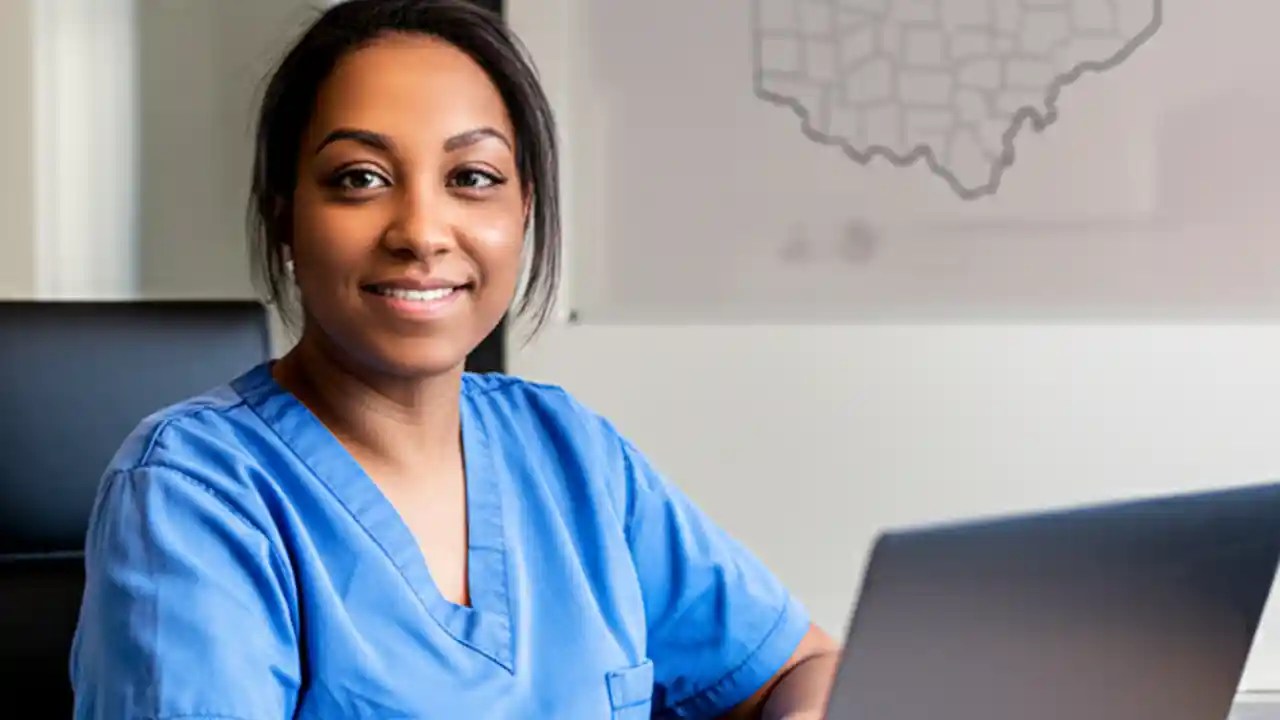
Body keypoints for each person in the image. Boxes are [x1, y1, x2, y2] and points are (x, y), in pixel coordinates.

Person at [69, 1, 839, 717]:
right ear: (285, 217)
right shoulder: (194, 491)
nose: (422, 233)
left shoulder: (572, 454)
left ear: (523, 208)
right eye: (360, 179)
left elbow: (802, 665)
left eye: (472, 178)